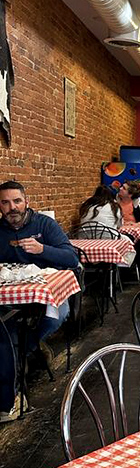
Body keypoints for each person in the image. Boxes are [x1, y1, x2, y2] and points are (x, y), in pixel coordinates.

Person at [0, 180, 78, 423]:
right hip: (10, 297)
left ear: (26, 202)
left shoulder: (44, 224)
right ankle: (14, 360)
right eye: (5, 202)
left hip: (47, 292)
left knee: (58, 315)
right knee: (6, 329)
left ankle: (25, 349)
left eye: (17, 201)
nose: (12, 207)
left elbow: (72, 258)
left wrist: (42, 249)